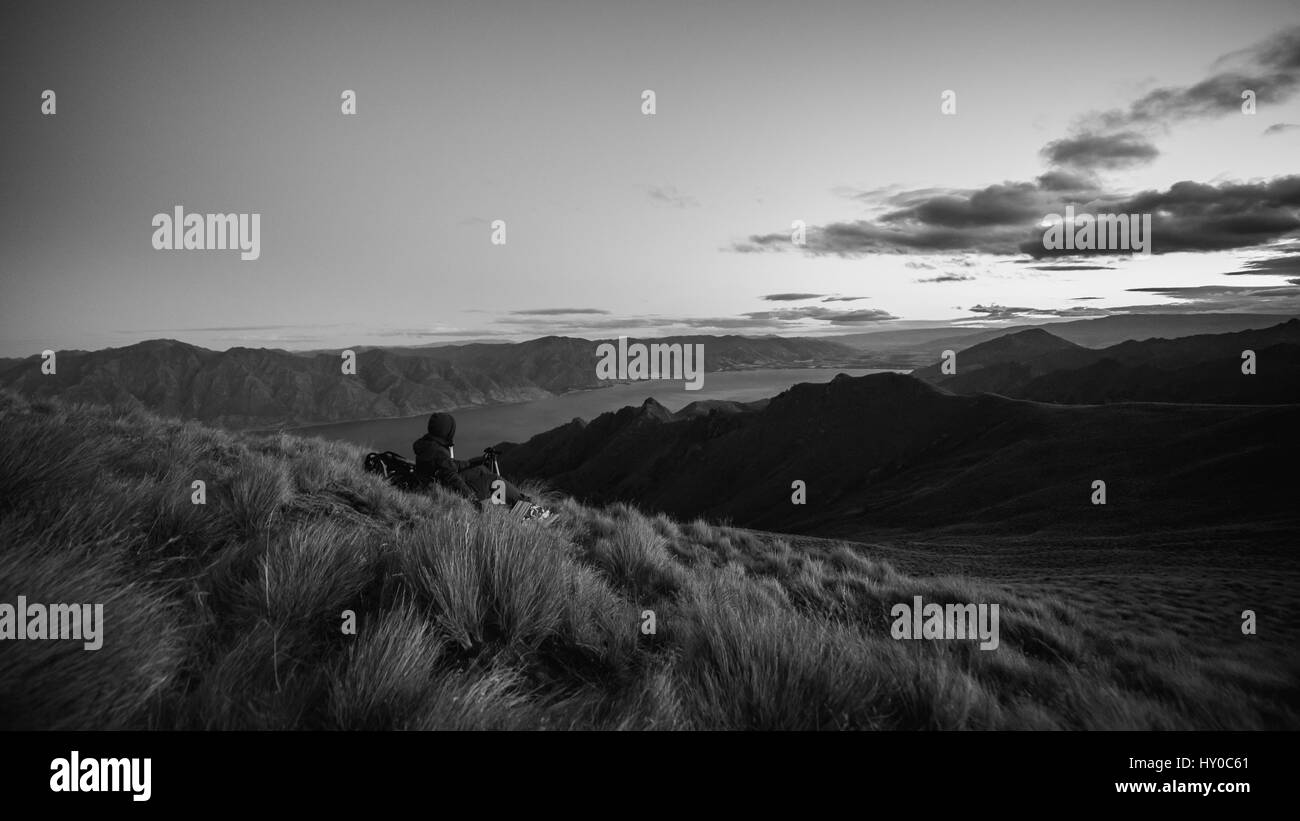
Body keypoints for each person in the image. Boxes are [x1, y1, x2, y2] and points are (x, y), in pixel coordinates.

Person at [413, 412, 553, 520]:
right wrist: (472, 500)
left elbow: (450, 466)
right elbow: (452, 477)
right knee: (493, 480)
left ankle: (520, 502)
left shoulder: (428, 446)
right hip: (446, 489)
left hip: (437, 483)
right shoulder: (438, 452)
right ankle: (529, 511)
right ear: (446, 431)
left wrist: (475, 461)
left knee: (481, 469)